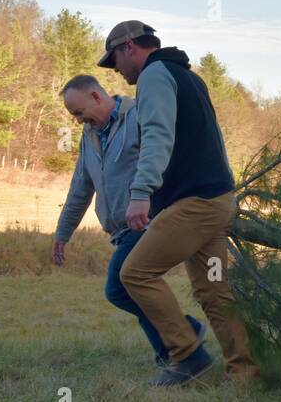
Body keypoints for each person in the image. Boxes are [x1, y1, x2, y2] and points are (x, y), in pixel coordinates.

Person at [95, 19, 257, 387]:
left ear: (129, 48)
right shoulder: (188, 77)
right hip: (216, 201)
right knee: (215, 292)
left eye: (115, 61)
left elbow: (156, 134)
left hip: (196, 205)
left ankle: (186, 355)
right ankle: (244, 373)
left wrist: (141, 194)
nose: (116, 71)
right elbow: (210, 137)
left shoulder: (155, 76)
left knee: (135, 274)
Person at [51, 74, 202, 368]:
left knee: (120, 287)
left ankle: (182, 340)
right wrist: (62, 232)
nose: (78, 121)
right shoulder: (91, 135)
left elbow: (163, 159)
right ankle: (176, 343)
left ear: (96, 97)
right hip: (121, 229)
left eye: (79, 113)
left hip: (149, 222)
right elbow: (81, 186)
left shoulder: (137, 117)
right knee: (130, 288)